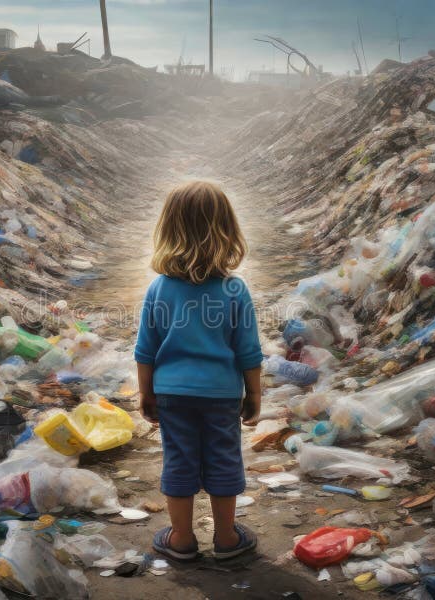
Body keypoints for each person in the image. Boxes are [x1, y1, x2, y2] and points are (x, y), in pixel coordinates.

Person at [134, 180, 263, 562]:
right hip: (221, 394)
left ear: (168, 230)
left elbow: (146, 349)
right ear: (227, 229)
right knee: (224, 459)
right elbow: (248, 351)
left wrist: (146, 393)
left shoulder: (159, 289)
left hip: (173, 393)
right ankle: (226, 539)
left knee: (179, 460)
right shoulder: (234, 290)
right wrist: (254, 393)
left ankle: (181, 539)